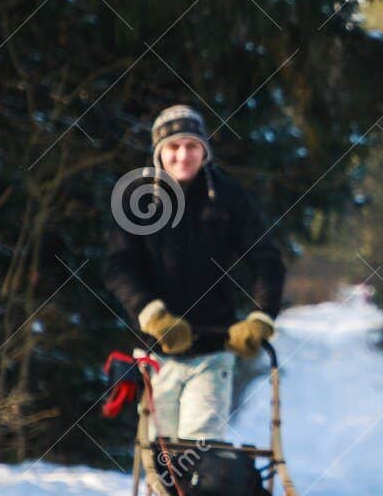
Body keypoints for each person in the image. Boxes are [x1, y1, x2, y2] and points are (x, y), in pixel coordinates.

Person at [105, 105, 285, 441]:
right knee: (161, 454)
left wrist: (261, 316)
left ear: (205, 150)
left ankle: (204, 491)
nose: (183, 155)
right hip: (156, 350)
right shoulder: (138, 198)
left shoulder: (230, 197)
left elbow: (267, 260)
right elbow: (118, 265)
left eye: (191, 145)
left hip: (214, 350)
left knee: (199, 449)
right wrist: (151, 312)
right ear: (160, 153)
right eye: (173, 147)